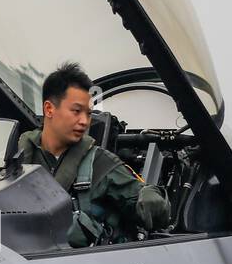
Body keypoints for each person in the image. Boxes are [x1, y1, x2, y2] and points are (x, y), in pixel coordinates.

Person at [17, 61, 169, 247]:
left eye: (88, 113)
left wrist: (152, 197)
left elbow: (145, 204)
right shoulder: (16, 159)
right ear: (49, 109)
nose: (84, 121)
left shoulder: (102, 165)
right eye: (76, 111)